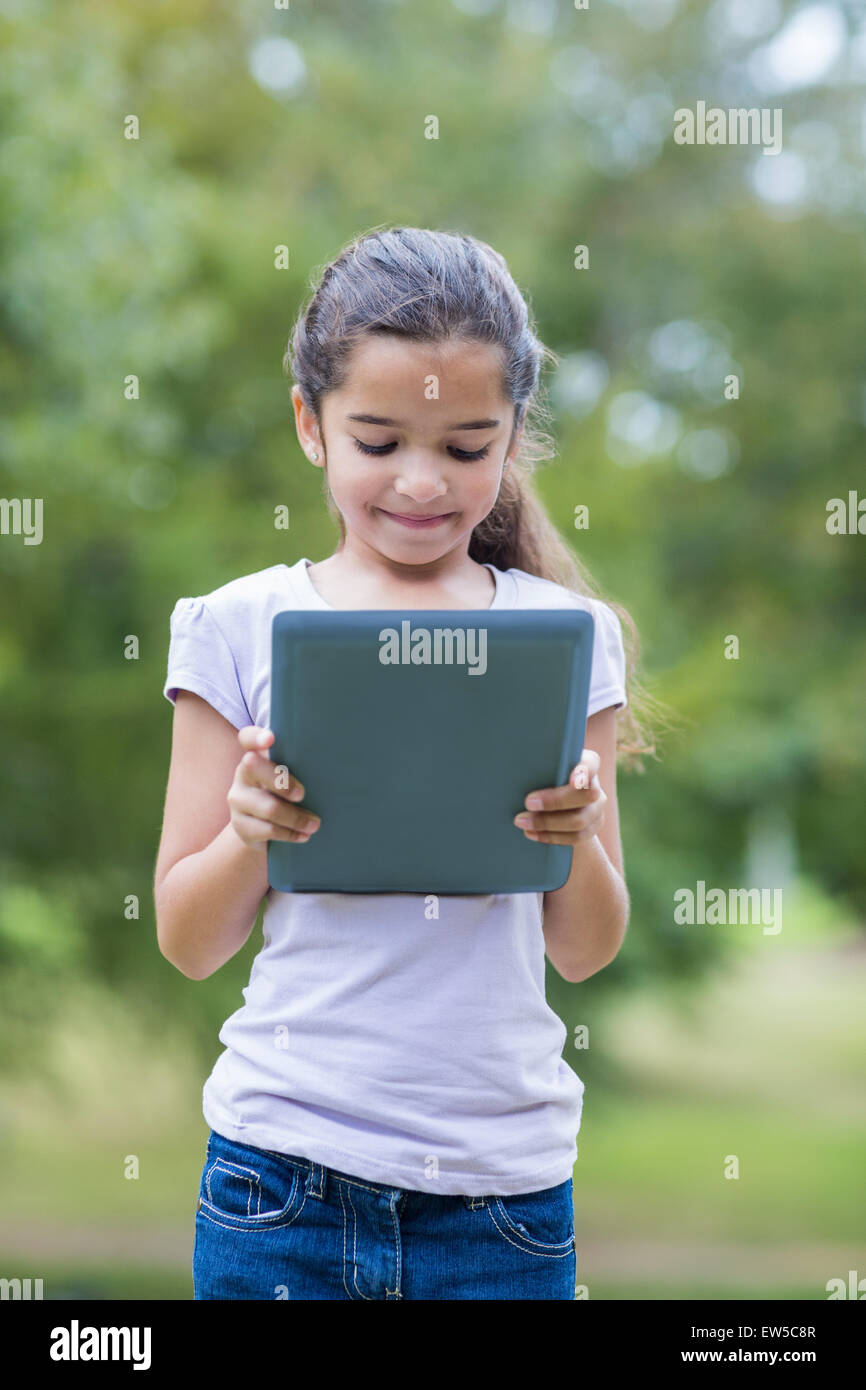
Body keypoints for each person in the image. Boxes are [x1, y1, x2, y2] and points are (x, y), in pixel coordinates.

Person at [155, 225, 658, 1301]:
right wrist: (249, 833)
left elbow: (587, 952)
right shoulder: (235, 625)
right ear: (310, 424)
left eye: (467, 447)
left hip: (501, 1203)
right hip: (277, 1182)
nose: (421, 483)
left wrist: (573, 843)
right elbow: (189, 941)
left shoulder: (567, 636)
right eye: (377, 441)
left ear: (513, 434)